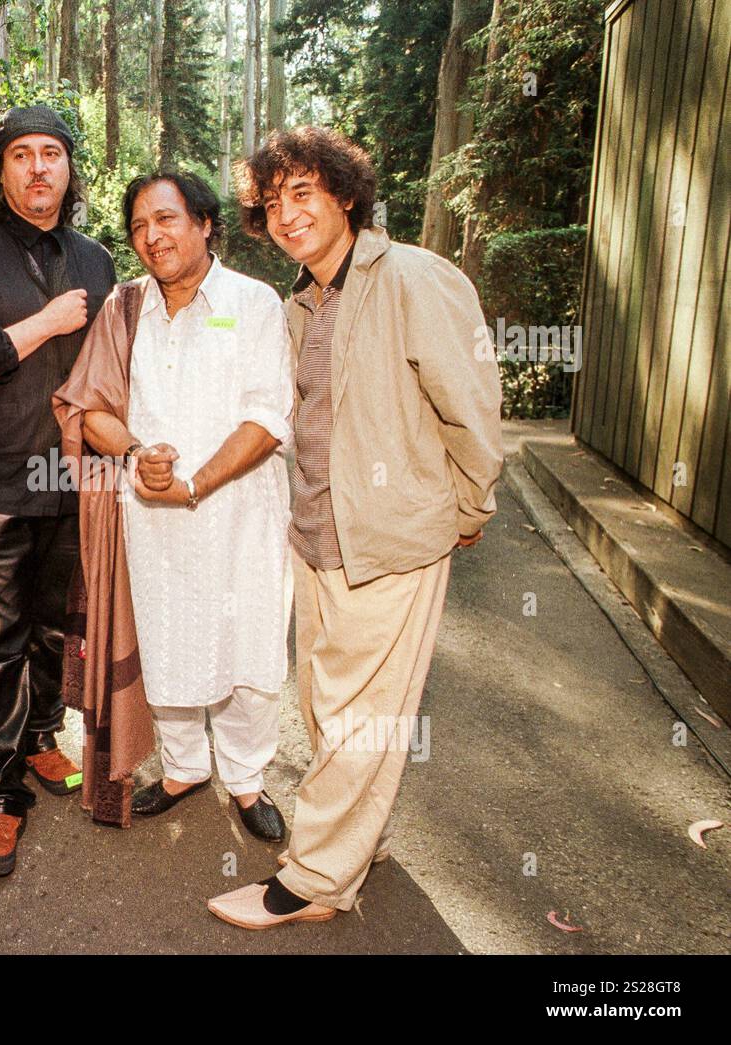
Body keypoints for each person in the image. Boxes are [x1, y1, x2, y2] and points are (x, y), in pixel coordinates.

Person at [207, 127, 502, 928]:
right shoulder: (304, 301)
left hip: (389, 542)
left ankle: (311, 884)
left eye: (304, 192)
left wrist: (470, 507)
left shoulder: (409, 277)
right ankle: (349, 843)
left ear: (344, 194)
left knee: (360, 721)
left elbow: (470, 405)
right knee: (330, 710)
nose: (287, 214)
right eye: (271, 203)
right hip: (316, 540)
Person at [56, 172, 293, 840]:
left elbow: (267, 414)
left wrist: (194, 483)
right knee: (166, 646)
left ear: (204, 223)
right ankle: (186, 768)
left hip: (241, 516)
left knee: (247, 650)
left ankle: (247, 780)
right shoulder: (127, 308)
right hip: (153, 521)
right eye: (138, 226)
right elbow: (89, 407)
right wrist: (133, 455)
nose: (151, 236)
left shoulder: (253, 303)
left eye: (166, 219)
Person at [0, 104, 117, 877]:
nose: (39, 167)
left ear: (70, 170)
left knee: (49, 628)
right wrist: (38, 325)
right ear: (1, 171)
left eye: (52, 154)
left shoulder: (98, 260)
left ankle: (39, 740)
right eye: (22, 155)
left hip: (72, 481)